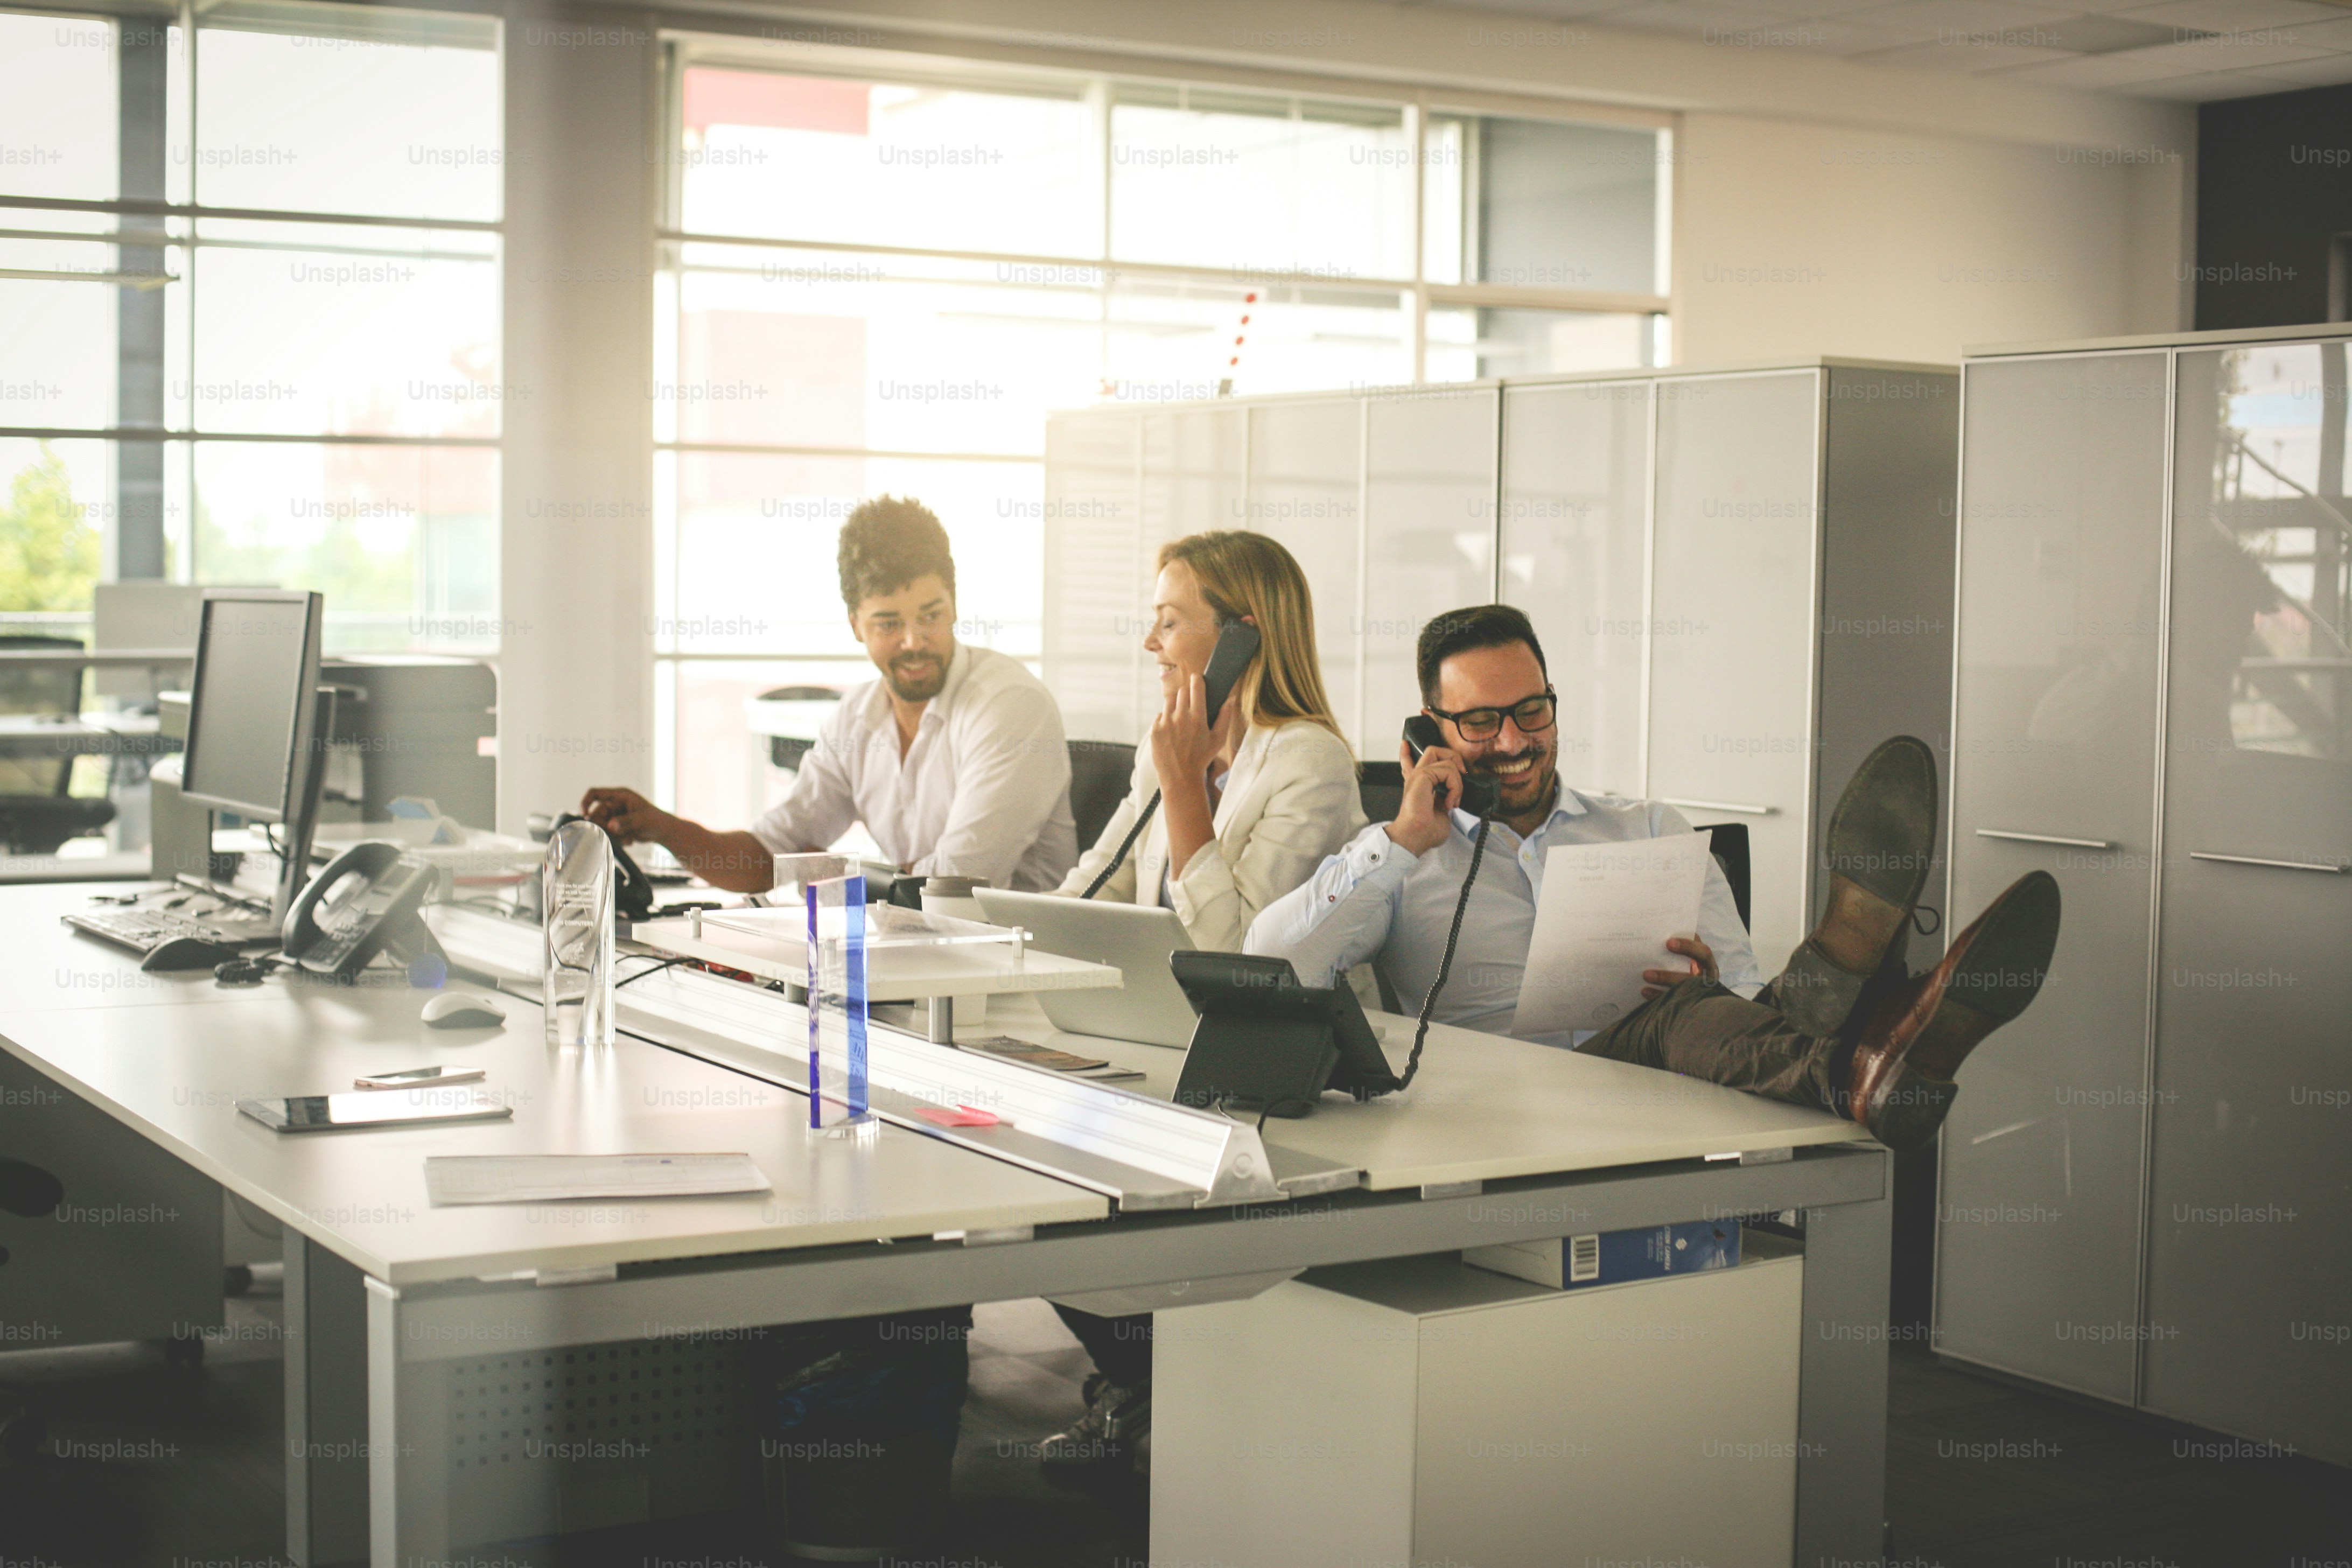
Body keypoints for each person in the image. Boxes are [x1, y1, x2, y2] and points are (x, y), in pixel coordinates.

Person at [1247, 603, 2063, 1156]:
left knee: (1707, 1010)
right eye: (1482, 722)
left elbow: (1744, 1004)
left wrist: (1719, 992)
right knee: (1685, 1016)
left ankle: (1862, 1020)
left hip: (1658, 1100)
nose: (1515, 742)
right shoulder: (1399, 857)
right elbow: (1277, 964)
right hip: (1493, 1122)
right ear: (1431, 733)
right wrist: (1400, 840)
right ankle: (1879, 1032)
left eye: (1533, 711)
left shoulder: (1648, 828)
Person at [1040, 529, 1363, 1475]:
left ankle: (1162, 1392)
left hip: (1264, 1068)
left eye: (1169, 622)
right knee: (1041, 1175)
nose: (1151, 645)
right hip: (1153, 1041)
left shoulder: (1308, 763)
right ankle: (1144, 1380)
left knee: (1085, 1181)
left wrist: (1186, 788)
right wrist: (996, 935)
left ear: (1240, 637)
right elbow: (1091, 885)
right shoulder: (1165, 750)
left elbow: (1238, 958)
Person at [582, 496, 1078, 894]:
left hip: (1025, 984)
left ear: (954, 605)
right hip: (921, 961)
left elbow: (952, 886)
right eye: (889, 623)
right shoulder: (858, 718)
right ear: (855, 626)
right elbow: (770, 856)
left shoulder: (1010, 706)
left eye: (931, 615)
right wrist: (664, 829)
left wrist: (822, 875)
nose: (914, 641)